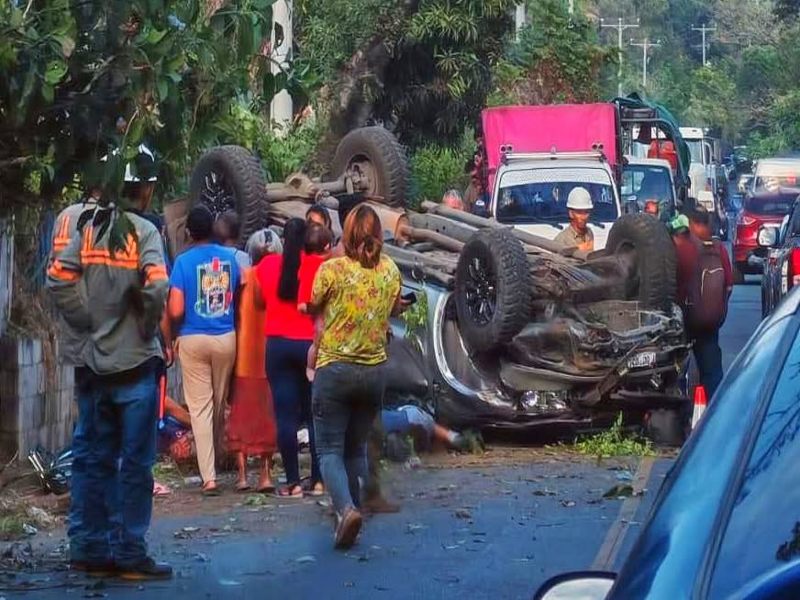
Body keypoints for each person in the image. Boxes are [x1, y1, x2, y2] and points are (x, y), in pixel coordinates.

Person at [47, 183, 171, 579]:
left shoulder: (83, 224)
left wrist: (86, 321)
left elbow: (59, 277)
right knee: (135, 463)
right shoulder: (143, 231)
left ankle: (88, 547)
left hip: (92, 363)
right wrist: (147, 326)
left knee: (92, 459)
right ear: (145, 191)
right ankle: (130, 553)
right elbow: (157, 284)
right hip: (134, 365)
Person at [306, 203, 403, 549]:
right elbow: (392, 309)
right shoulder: (391, 271)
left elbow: (312, 304)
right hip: (374, 373)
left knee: (329, 448)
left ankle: (346, 510)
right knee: (355, 447)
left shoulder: (331, 270)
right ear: (378, 235)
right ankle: (355, 510)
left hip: (335, 370)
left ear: (345, 234)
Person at [164, 205, 241, 496]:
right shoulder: (230, 260)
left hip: (193, 339)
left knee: (200, 409)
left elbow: (176, 308)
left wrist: (171, 330)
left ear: (188, 233)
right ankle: (223, 457)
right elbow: (240, 290)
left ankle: (209, 477)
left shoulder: (183, 263)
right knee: (219, 405)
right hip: (225, 338)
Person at [255, 218, 324, 499]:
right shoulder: (318, 266)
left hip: (278, 346)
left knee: (284, 416)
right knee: (313, 415)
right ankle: (319, 481)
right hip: (310, 346)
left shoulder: (268, 265)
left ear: (283, 239)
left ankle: (294, 483)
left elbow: (260, 300)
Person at [226, 229, 282, 493]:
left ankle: (242, 475)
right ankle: (266, 474)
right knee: (267, 416)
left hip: (245, 356)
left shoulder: (243, 278)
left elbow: (235, 314)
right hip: (269, 357)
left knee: (242, 415)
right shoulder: (279, 277)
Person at [685, 206, 733, 398]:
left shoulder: (683, 246)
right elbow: (729, 286)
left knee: (676, 370)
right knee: (712, 373)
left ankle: (681, 414)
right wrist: (717, 311)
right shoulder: (719, 249)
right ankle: (714, 414)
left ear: (693, 224)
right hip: (709, 323)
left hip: (685, 321)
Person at [554, 187, 594, 252]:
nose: (584, 217)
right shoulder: (561, 240)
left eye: (586, 212)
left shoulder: (589, 233)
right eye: (579, 212)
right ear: (571, 214)